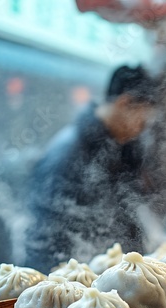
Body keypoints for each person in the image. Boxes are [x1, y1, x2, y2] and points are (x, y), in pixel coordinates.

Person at [25, 66, 158, 271]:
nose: (142, 129)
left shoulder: (120, 148)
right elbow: (47, 237)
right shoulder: (68, 154)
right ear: (124, 103)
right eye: (142, 120)